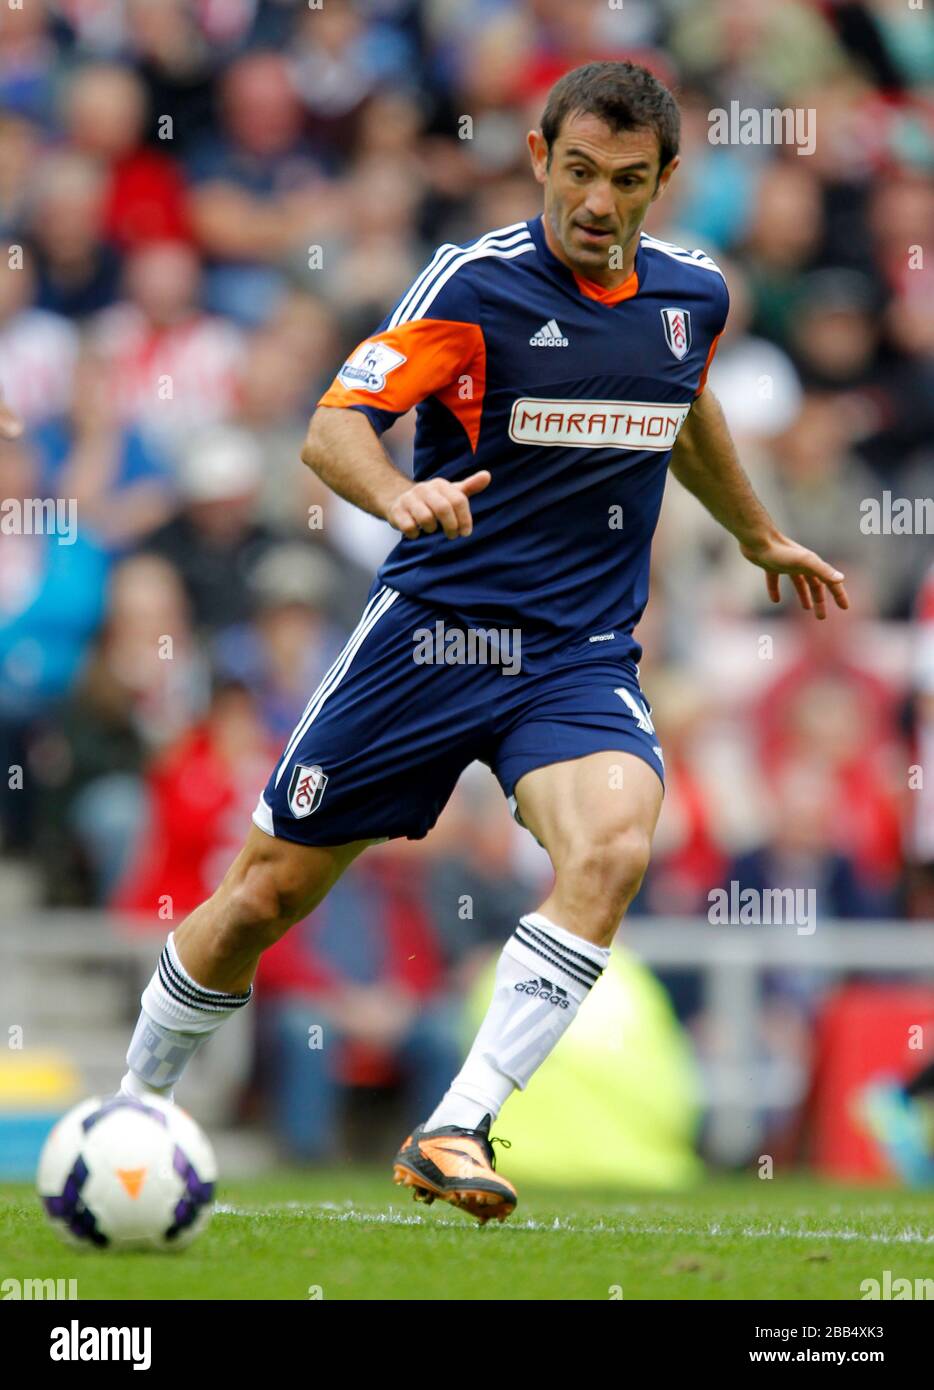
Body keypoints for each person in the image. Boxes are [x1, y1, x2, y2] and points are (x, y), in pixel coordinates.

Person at [118, 61, 848, 1225]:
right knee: (263, 898)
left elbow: (680, 405)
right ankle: (135, 1107)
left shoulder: (691, 296)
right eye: (576, 172)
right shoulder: (475, 286)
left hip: (575, 653)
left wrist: (761, 534)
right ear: (537, 160)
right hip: (430, 640)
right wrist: (395, 498)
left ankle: (455, 1124)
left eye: (624, 181)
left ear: (664, 183)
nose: (596, 204)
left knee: (611, 845)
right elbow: (332, 431)